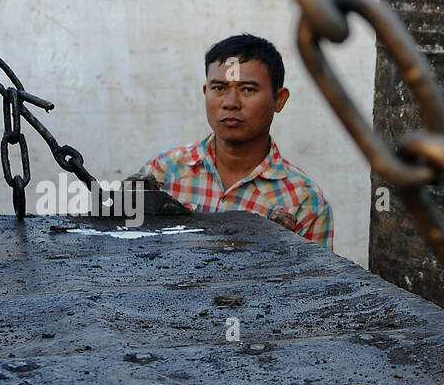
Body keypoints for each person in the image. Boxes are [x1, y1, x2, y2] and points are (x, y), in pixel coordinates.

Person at [138, 33, 335, 247]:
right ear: (206, 92)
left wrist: (278, 250)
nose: (231, 103)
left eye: (248, 89)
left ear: (279, 99)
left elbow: (316, 279)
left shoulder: (304, 202)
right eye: (219, 88)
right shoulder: (162, 172)